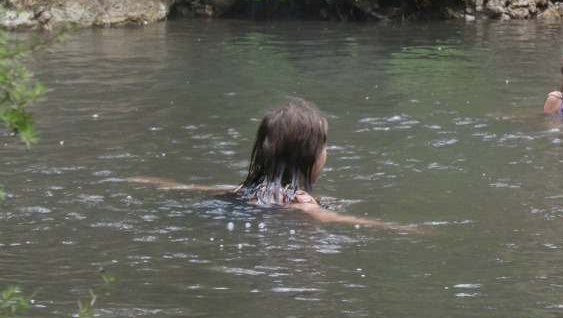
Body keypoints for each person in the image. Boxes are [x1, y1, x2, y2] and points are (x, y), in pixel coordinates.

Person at [130, 98, 409, 229]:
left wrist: (160, 184)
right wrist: (402, 228)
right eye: (324, 146)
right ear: (309, 156)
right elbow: (335, 219)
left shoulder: (247, 188)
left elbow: (198, 189)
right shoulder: (301, 202)